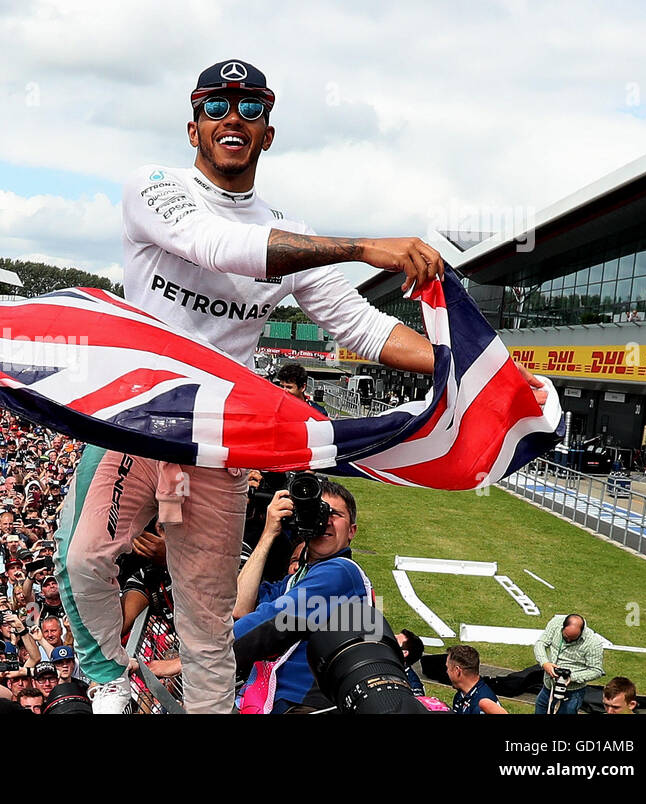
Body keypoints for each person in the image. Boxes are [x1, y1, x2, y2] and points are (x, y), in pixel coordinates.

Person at [55, 57, 470, 715]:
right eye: (217, 106)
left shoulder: (288, 230)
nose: (233, 118)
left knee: (206, 605)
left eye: (252, 110)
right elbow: (219, 245)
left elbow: (359, 325)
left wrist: (466, 367)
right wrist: (363, 246)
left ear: (267, 135)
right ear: (193, 127)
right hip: (141, 415)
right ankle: (107, 677)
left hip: (216, 438)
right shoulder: (154, 188)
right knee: (82, 561)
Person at [231, 477, 373, 712]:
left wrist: (197, 659)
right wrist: (269, 533)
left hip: (305, 705)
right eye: (318, 511)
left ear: (352, 531)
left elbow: (270, 620)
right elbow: (240, 607)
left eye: (335, 514)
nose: (324, 521)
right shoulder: (295, 581)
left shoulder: (341, 572)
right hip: (276, 702)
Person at [533, 613, 604, 714]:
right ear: (562, 627)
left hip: (573, 692)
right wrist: (545, 663)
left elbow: (596, 671)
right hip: (549, 686)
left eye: (573, 638)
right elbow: (540, 643)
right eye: (566, 637)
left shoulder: (593, 643)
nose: (569, 640)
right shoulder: (555, 623)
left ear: (581, 631)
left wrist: (572, 677)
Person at [446, 644, 507, 714]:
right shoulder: (461, 695)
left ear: (457, 671)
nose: (447, 672)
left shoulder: (480, 706)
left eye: (448, 668)